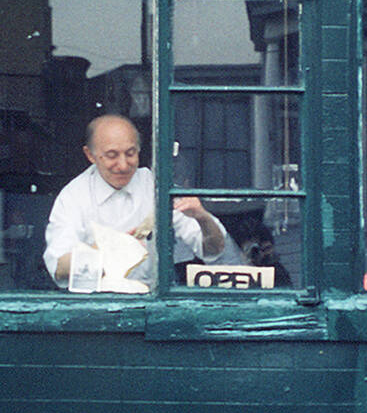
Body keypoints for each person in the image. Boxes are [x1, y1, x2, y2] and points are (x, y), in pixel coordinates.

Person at [41, 114, 236, 290]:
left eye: (130, 153)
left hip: (150, 300)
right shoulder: (74, 197)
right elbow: (58, 267)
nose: (123, 165)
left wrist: (203, 218)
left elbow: (213, 250)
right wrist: (110, 249)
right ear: (90, 155)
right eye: (112, 155)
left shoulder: (154, 187)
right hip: (96, 303)